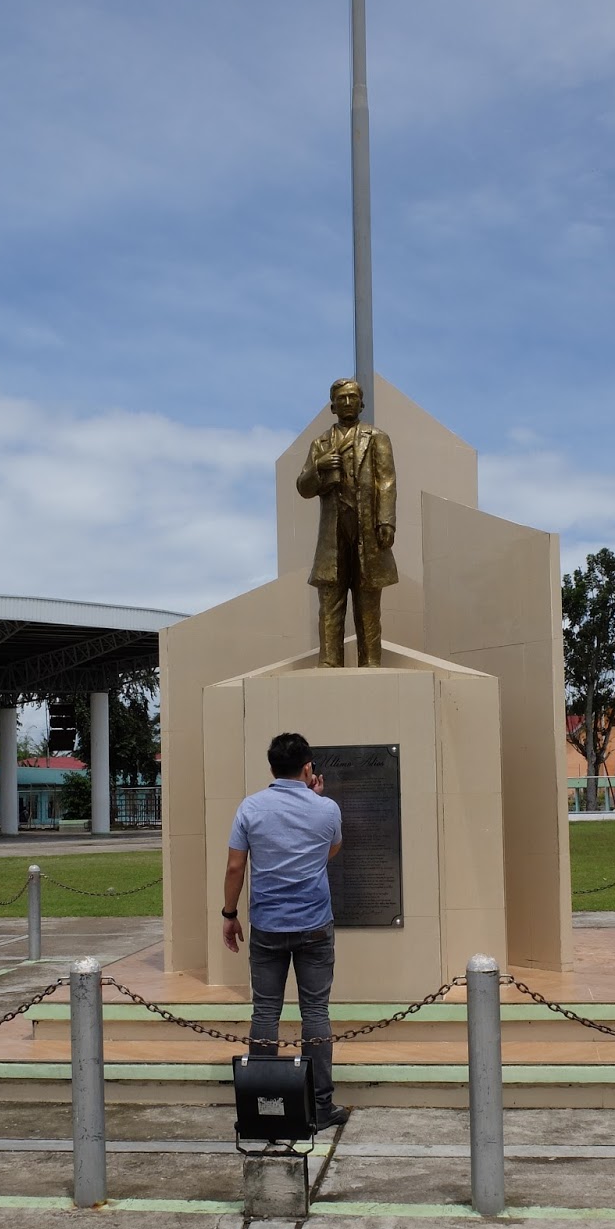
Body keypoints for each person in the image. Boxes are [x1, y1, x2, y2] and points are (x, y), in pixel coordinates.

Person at [221, 730, 349, 1129]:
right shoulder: (327, 808)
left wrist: (229, 913)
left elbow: (235, 867)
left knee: (265, 1011)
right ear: (308, 768)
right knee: (315, 1011)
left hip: (268, 927)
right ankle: (321, 1104)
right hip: (314, 925)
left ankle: (263, 1102)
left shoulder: (251, 807)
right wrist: (315, 796)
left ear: (272, 767)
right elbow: (331, 850)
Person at [296, 376, 398, 668]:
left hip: (368, 529)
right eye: (342, 398)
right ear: (332, 406)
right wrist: (320, 466)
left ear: (361, 403)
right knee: (330, 599)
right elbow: (303, 487)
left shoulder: (377, 437)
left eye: (353, 397)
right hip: (334, 533)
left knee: (367, 600)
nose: (348, 402)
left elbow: (387, 482)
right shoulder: (320, 444)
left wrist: (386, 522)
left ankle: (371, 662)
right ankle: (329, 661)